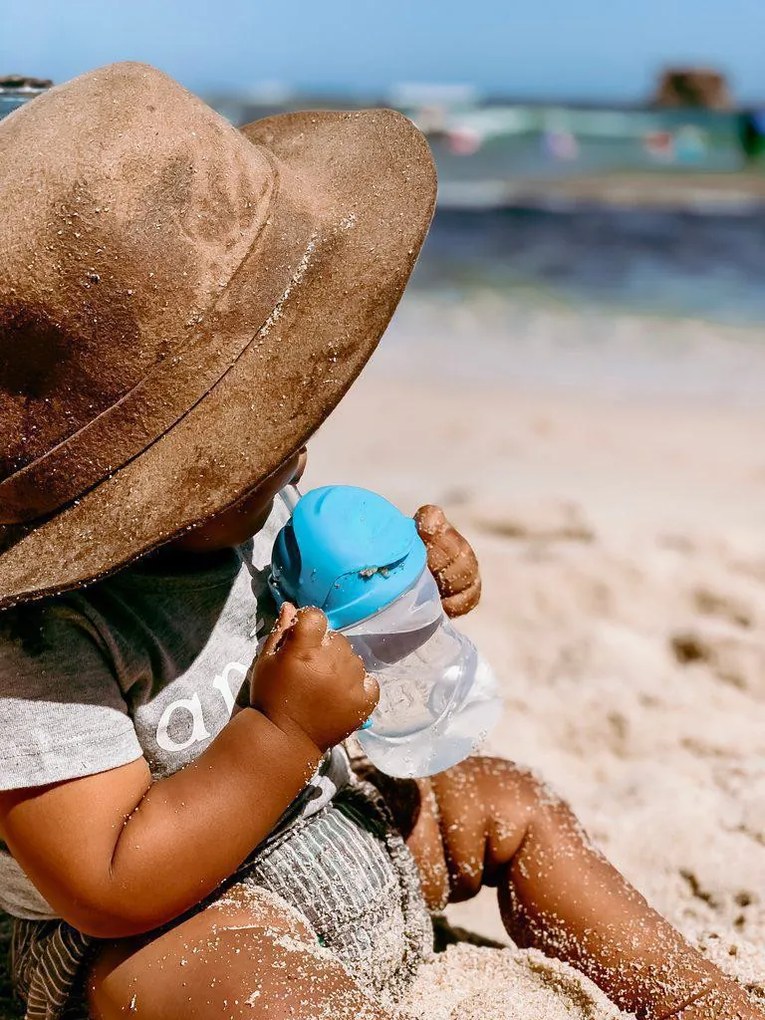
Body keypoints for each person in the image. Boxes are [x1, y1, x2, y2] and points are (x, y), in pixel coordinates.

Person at [0, 63, 759, 1020]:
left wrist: (403, 593)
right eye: (249, 430)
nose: (296, 438)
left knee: (508, 799)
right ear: (138, 486)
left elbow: (323, 617)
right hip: (166, 927)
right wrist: (280, 732)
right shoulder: (37, 645)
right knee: (216, 976)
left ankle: (702, 1000)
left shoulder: (240, 514)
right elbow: (106, 884)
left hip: (329, 832)